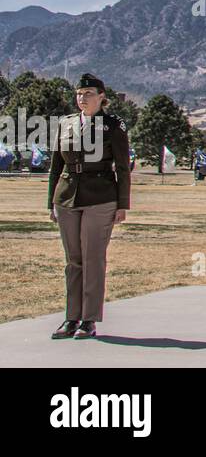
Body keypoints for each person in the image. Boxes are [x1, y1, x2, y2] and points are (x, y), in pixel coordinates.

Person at [47, 73, 131, 340]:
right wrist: (51, 202)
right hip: (67, 197)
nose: (82, 98)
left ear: (102, 97)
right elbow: (55, 167)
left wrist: (122, 204)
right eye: (79, 94)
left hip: (100, 197)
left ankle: (89, 319)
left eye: (88, 94)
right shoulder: (66, 123)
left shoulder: (113, 125)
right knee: (74, 260)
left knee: (93, 258)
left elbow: (123, 168)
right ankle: (71, 317)